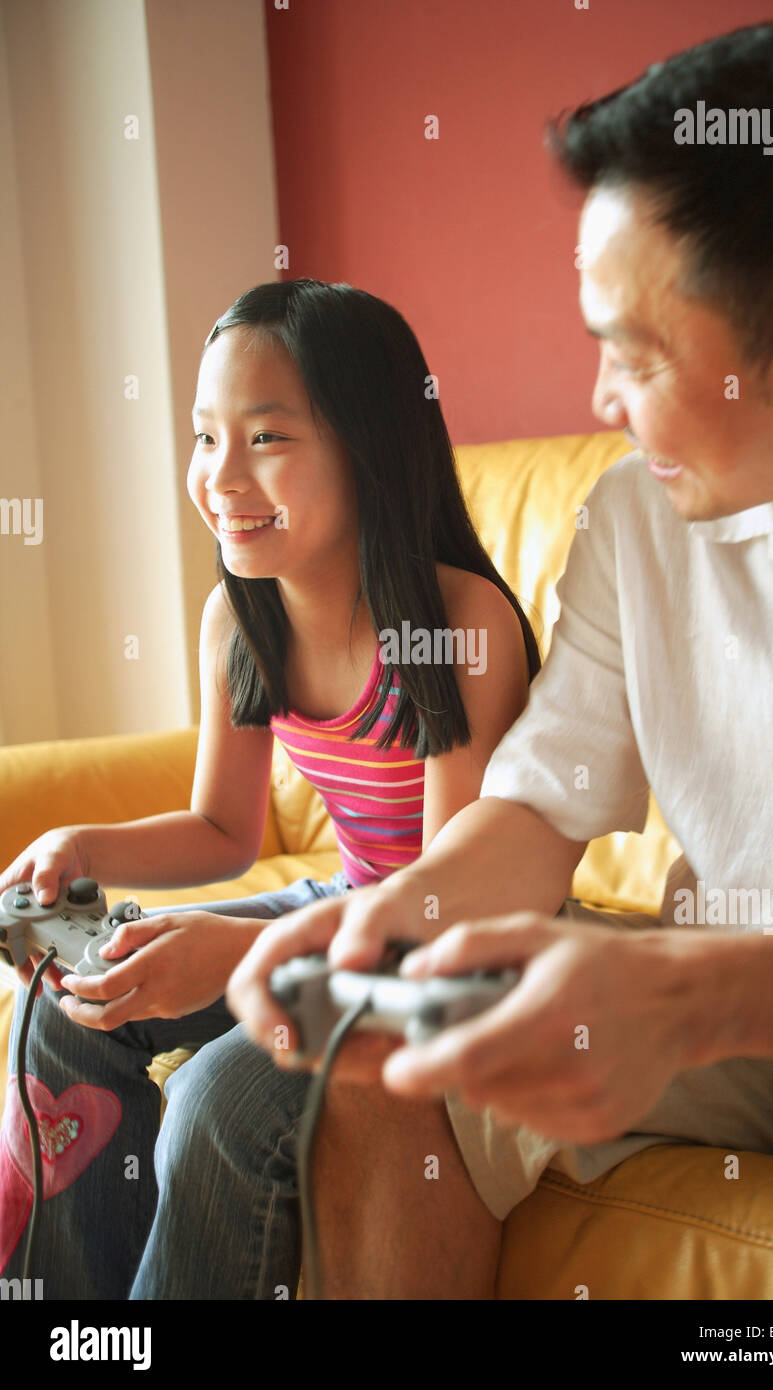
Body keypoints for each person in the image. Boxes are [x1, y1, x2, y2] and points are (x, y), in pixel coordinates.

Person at [228, 18, 773, 1299]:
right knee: (390, 1062)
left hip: (749, 1007)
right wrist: (375, 928)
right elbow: (531, 806)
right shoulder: (637, 519)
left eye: (633, 352)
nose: (598, 401)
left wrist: (688, 998)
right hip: (753, 1043)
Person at [0, 278, 540, 1298]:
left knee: (215, 1096)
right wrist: (89, 845)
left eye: (267, 438)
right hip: (338, 907)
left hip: (460, 952)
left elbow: (441, 915)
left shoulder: (457, 625)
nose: (220, 477)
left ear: (368, 446)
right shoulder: (236, 620)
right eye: (206, 438)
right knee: (71, 1002)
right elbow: (220, 829)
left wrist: (237, 951)